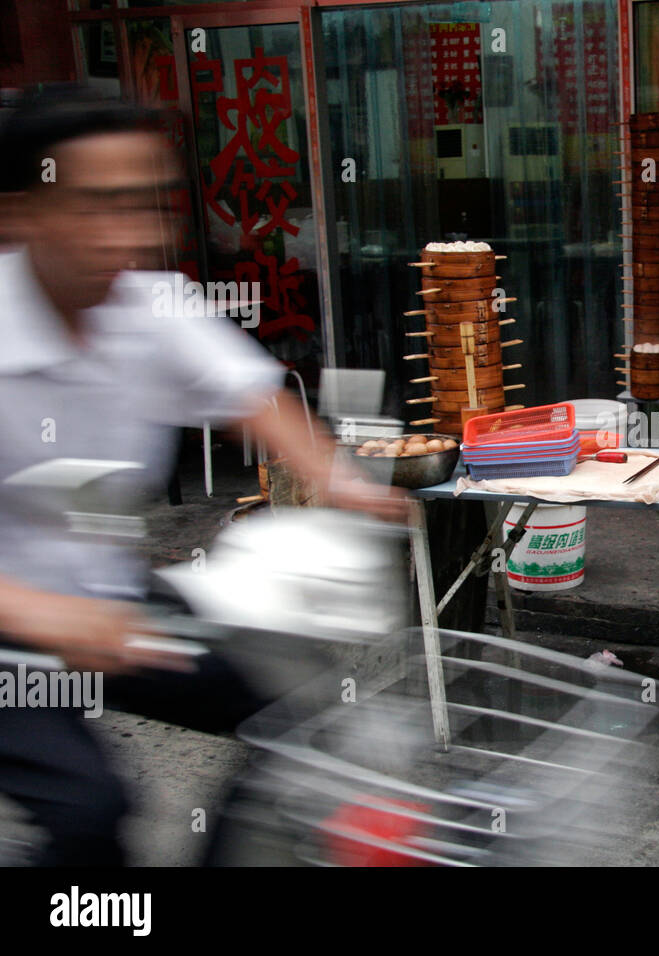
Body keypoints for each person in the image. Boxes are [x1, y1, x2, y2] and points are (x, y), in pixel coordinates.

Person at [0, 88, 405, 866]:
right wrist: (46, 619)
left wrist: (342, 480)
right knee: (89, 812)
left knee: (303, 714)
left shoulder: (152, 306)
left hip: (107, 602)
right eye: (97, 206)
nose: (128, 236)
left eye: (145, 206)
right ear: (21, 210)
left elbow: (253, 396)